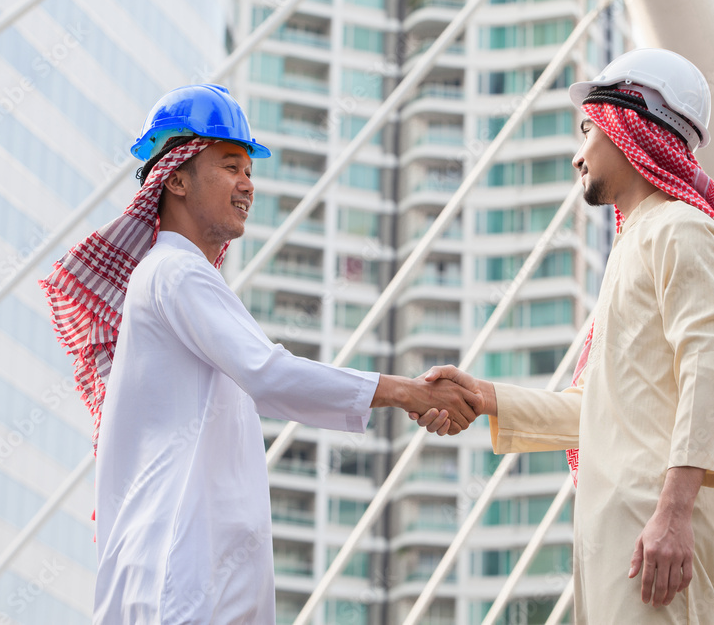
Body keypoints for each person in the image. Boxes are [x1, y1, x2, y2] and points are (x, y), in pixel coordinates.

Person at [40, 84, 480, 624]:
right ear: (175, 177)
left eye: (250, 170)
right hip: (175, 584)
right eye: (230, 165)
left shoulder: (182, 279)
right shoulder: (174, 272)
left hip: (195, 583)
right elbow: (269, 374)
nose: (247, 184)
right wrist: (409, 391)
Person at [414, 49, 714, 623]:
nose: (578, 154)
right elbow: (597, 409)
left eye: (588, 128)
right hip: (623, 535)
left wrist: (673, 512)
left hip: (656, 534)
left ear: (634, 127)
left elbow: (710, 366)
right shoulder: (636, 245)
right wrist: (484, 398)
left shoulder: (682, 229)